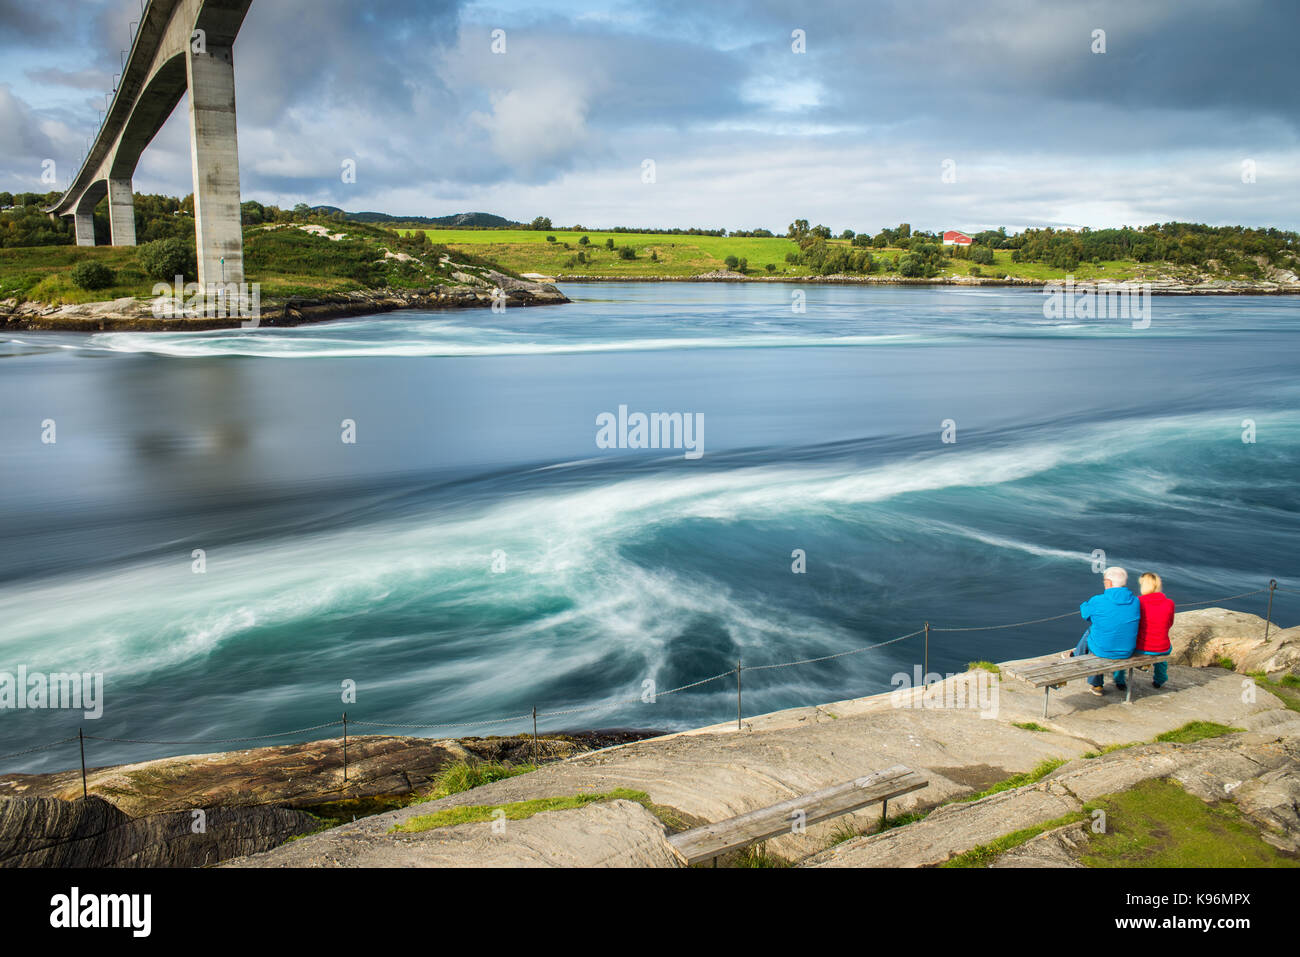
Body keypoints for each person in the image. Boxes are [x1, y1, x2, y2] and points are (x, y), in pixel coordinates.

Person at [1061, 566, 1140, 696]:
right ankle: (1076, 656)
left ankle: (1096, 684)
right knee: (1102, 634)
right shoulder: (1135, 601)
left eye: (1104, 581)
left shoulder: (1099, 600)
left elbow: (1085, 614)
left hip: (1105, 650)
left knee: (1092, 633)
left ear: (1108, 582)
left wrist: (1085, 604)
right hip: (1127, 651)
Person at [1136, 572, 1174, 688]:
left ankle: (1119, 680)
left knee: (1123, 646)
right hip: (1162, 647)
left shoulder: (1138, 602)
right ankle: (1160, 679)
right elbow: (1169, 623)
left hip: (1141, 647)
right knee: (1165, 649)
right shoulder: (1169, 603)